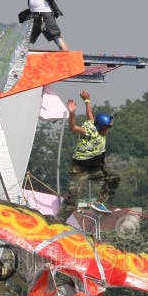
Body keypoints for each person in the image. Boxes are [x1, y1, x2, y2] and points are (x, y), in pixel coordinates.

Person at [57, 90, 120, 221]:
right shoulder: (89, 132)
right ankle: (59, 220)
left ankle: (100, 203)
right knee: (74, 198)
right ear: (102, 127)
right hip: (79, 170)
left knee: (114, 177)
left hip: (95, 169)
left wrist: (87, 100)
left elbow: (90, 115)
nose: (109, 130)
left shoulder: (95, 124)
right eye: (108, 128)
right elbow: (73, 127)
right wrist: (72, 112)